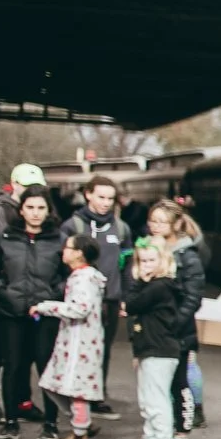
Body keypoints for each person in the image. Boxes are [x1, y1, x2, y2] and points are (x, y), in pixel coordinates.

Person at [120, 205, 198, 439]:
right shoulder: (156, 285)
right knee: (148, 400)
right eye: (142, 261)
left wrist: (139, 281)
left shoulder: (160, 286)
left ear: (164, 261)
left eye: (151, 261)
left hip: (160, 350)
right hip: (150, 349)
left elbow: (130, 304)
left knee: (157, 401)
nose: (146, 266)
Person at [0, 182, 65, 439]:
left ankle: (51, 424)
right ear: (21, 210)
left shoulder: (58, 239)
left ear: (48, 210)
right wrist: (4, 292)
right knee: (12, 366)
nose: (35, 212)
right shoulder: (5, 237)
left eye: (41, 208)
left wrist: (53, 295)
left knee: (46, 367)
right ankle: (11, 422)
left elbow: (68, 275)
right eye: (30, 207)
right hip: (10, 312)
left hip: (45, 313)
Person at [62, 174, 133, 416]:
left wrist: (125, 295)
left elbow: (127, 264)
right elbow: (62, 263)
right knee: (77, 347)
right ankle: (74, 392)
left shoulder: (121, 228)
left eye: (110, 198)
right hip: (80, 299)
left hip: (110, 299)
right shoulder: (73, 226)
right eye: (101, 197)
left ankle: (97, 392)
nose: (105, 203)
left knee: (103, 348)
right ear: (88, 194)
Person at [31, 230, 106, 439]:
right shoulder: (83, 276)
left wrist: (46, 307)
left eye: (68, 248)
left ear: (79, 253)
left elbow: (80, 309)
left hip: (79, 342)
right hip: (75, 340)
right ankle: (81, 424)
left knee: (76, 389)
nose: (63, 251)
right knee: (52, 383)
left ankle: (78, 436)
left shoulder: (83, 278)